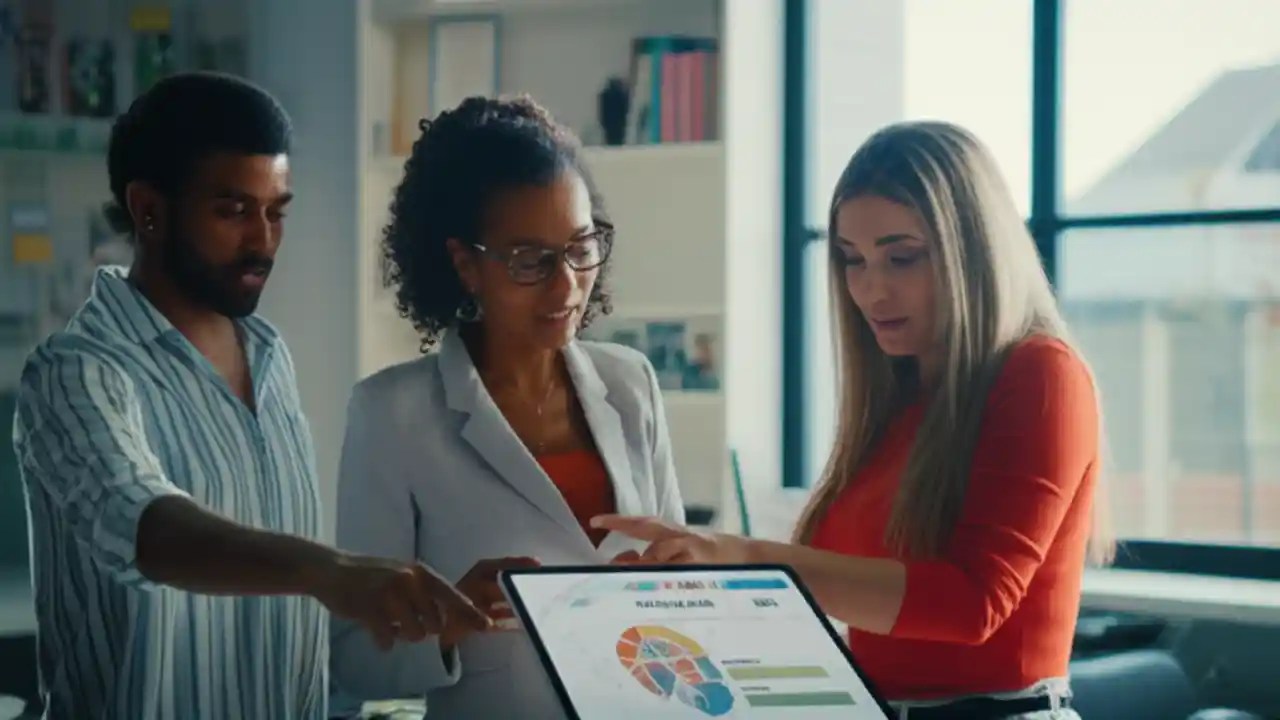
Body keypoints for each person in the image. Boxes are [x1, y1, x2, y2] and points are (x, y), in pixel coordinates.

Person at [11, 72, 518, 720]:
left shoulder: (271, 358)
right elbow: (146, 529)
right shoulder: (75, 374)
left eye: (276, 212)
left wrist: (429, 615)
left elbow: (289, 625)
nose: (262, 241)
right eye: (233, 211)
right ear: (148, 209)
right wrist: (332, 571)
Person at [595, 121, 1112, 720]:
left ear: (973, 252)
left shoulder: (1041, 373)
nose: (871, 290)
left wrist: (743, 557)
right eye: (852, 260)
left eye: (902, 258)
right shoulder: (898, 398)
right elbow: (835, 593)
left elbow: (971, 604)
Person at [329, 95, 685, 719]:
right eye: (530, 261)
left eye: (581, 248)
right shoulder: (392, 414)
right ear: (465, 264)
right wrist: (448, 622)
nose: (567, 284)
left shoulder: (631, 383)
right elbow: (354, 660)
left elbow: (684, 590)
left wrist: (670, 587)